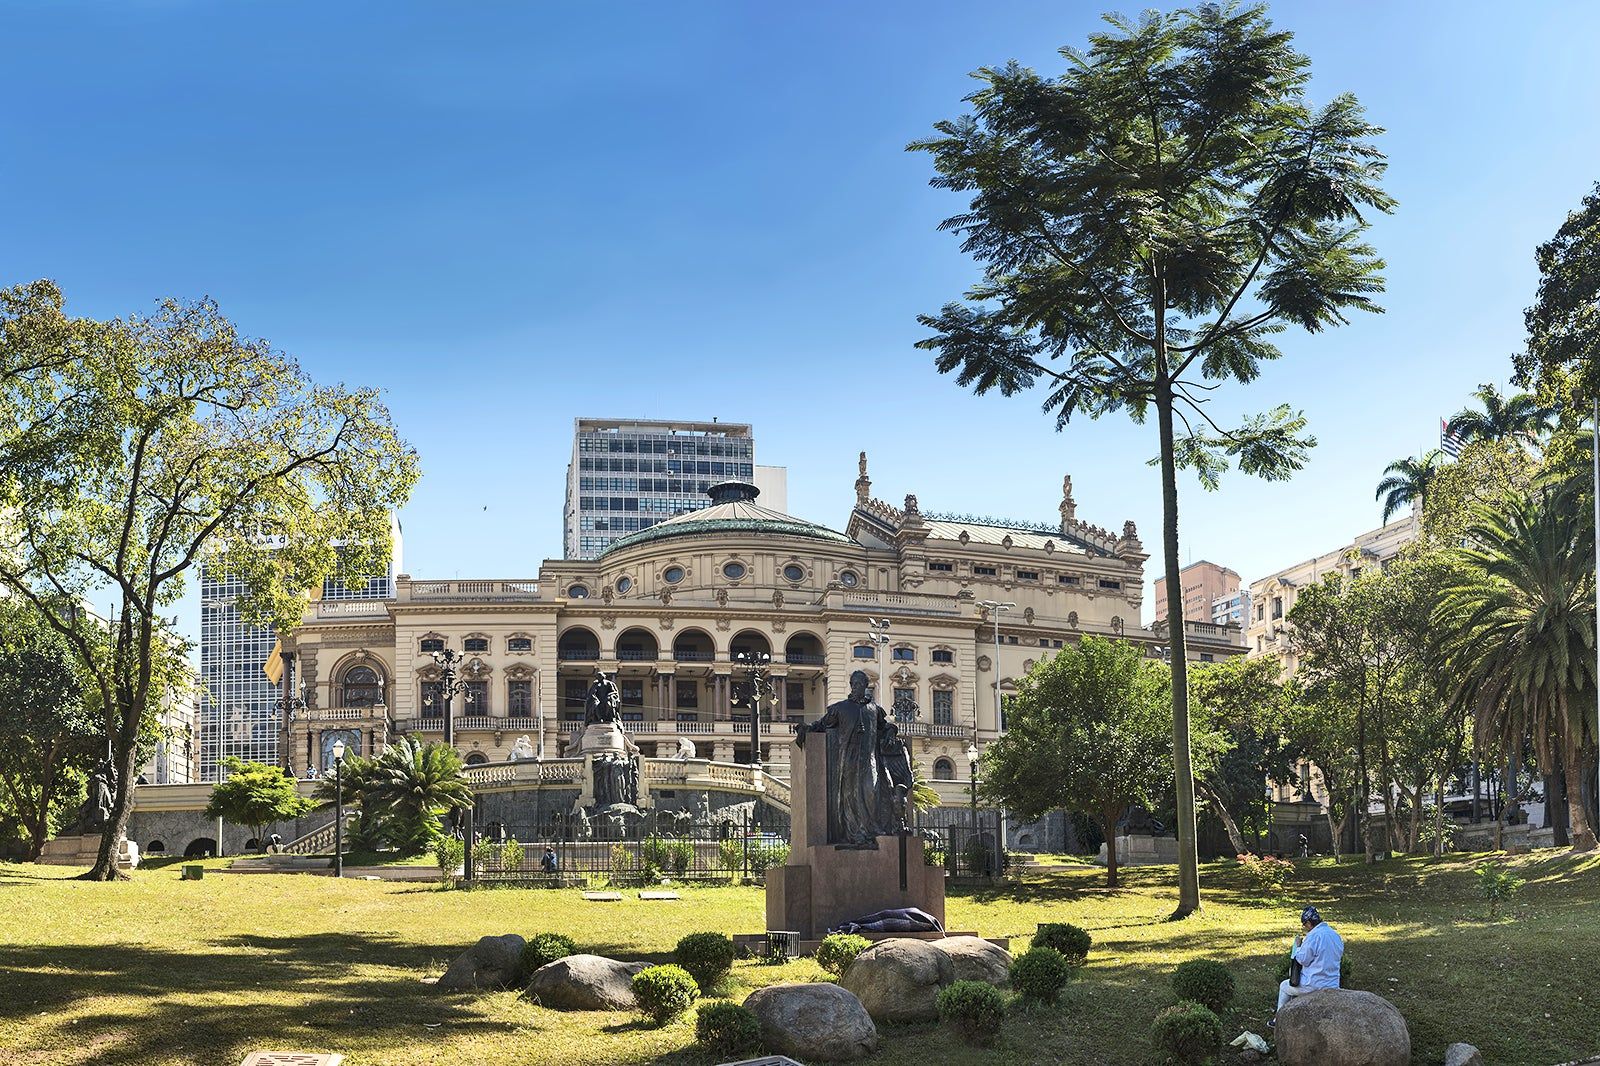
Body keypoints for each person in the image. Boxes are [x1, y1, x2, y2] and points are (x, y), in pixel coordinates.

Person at [1274, 906, 1344, 1024]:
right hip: (1333, 983)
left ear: (1308, 922)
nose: (1305, 928)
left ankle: (1278, 1020)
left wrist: (1297, 948)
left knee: (1284, 986)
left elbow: (1303, 960)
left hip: (1314, 984)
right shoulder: (1335, 935)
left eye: (1304, 924)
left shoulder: (1313, 936)